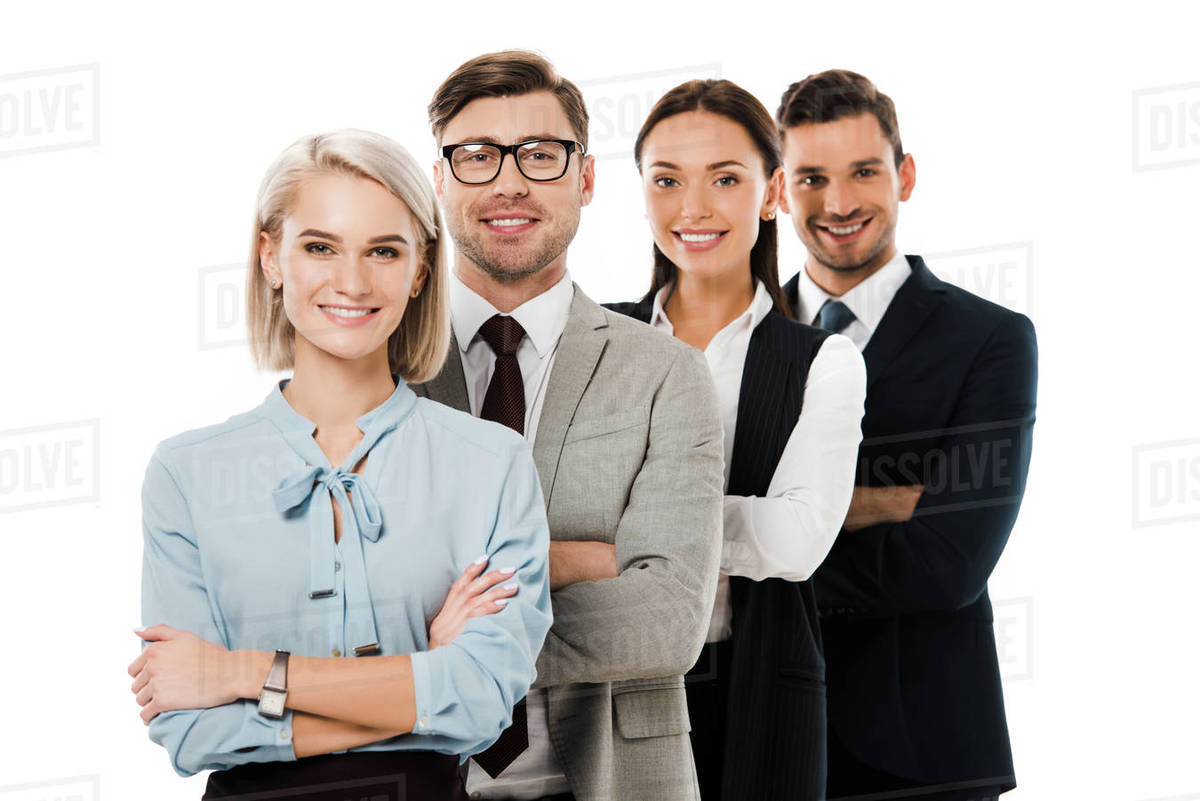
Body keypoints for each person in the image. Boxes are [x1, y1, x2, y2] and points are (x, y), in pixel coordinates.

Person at [127, 129, 553, 801]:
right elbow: (190, 728)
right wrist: (422, 677)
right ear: (272, 257)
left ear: (419, 269)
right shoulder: (187, 472)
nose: (351, 281)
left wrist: (243, 672)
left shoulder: (491, 464)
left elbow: (478, 707)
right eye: (320, 246)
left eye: (383, 251)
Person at [411, 51, 724, 801]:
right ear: (440, 180)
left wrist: (449, 626)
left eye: (541, 155)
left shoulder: (667, 372)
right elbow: (327, 600)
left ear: (584, 178)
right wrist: (584, 558)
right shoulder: (379, 367)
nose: (510, 181)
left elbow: (672, 616)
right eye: (478, 156)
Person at [776, 70, 1038, 801]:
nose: (839, 203)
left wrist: (751, 549)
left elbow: (950, 559)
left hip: (923, 750)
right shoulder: (736, 335)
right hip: (750, 736)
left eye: (864, 171)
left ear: (906, 174)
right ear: (778, 188)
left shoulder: (989, 338)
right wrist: (873, 503)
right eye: (811, 177)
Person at [604, 78, 866, 801]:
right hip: (610, 685)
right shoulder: (591, 339)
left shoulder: (825, 360)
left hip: (759, 685)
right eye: (667, 180)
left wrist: (638, 528)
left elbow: (797, 539)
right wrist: (723, 518)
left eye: (725, 178)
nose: (692, 207)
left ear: (774, 190)